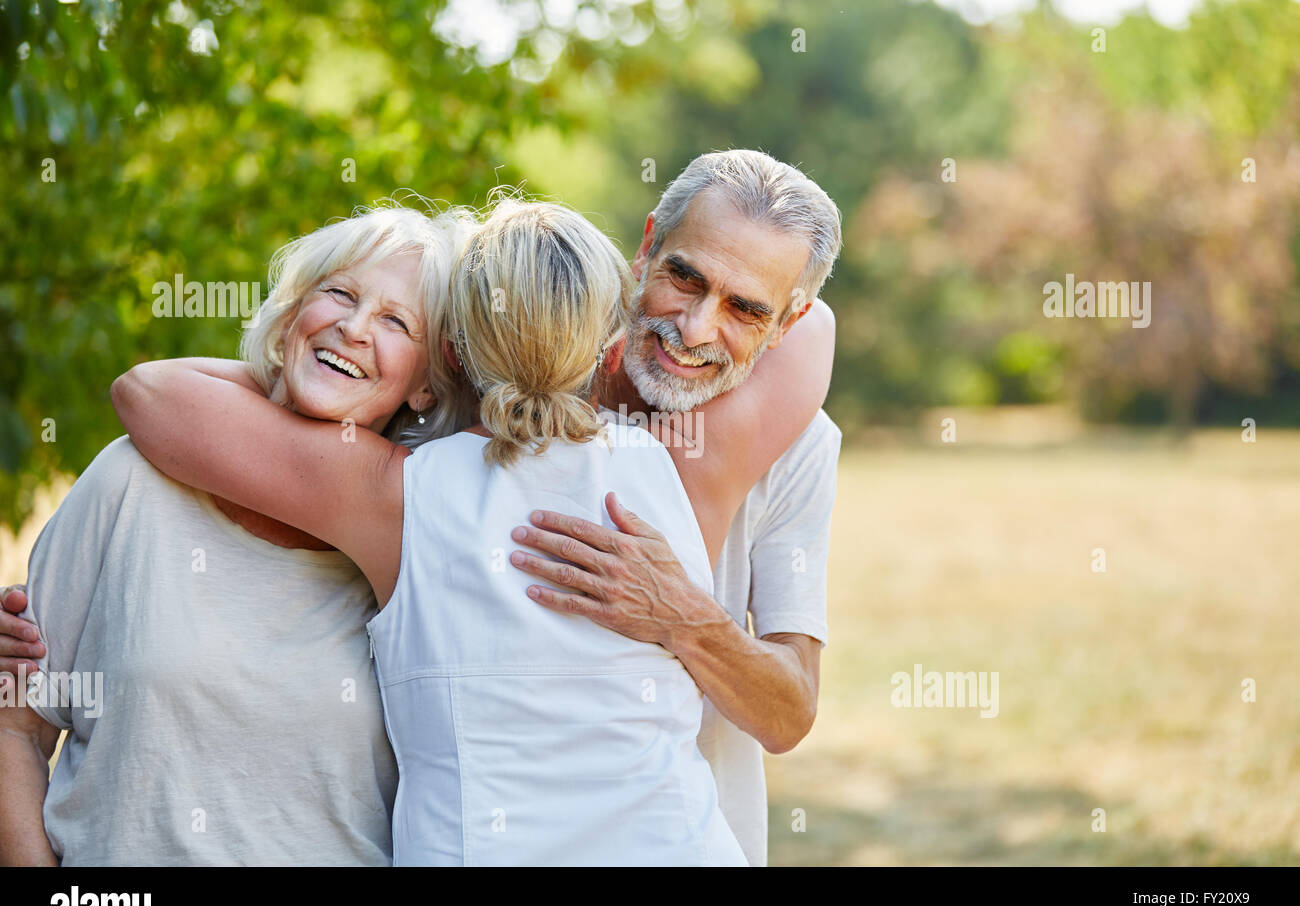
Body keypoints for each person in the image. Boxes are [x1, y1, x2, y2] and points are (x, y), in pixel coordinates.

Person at [107, 196, 829, 865]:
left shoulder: (390, 492)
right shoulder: (686, 467)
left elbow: (149, 393)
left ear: (447, 353)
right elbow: (813, 327)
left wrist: (285, 365)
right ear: (612, 344)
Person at [0, 203, 468, 865]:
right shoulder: (131, 481)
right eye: (337, 293)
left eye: (396, 321)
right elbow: (14, 723)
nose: (354, 327)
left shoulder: (413, 542)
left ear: (424, 387)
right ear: (289, 315)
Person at [508, 149, 844, 866]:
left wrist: (683, 618)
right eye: (684, 278)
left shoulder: (802, 445)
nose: (693, 328)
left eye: (745, 309)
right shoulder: (531, 366)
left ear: (790, 322)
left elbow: (788, 714)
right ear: (646, 245)